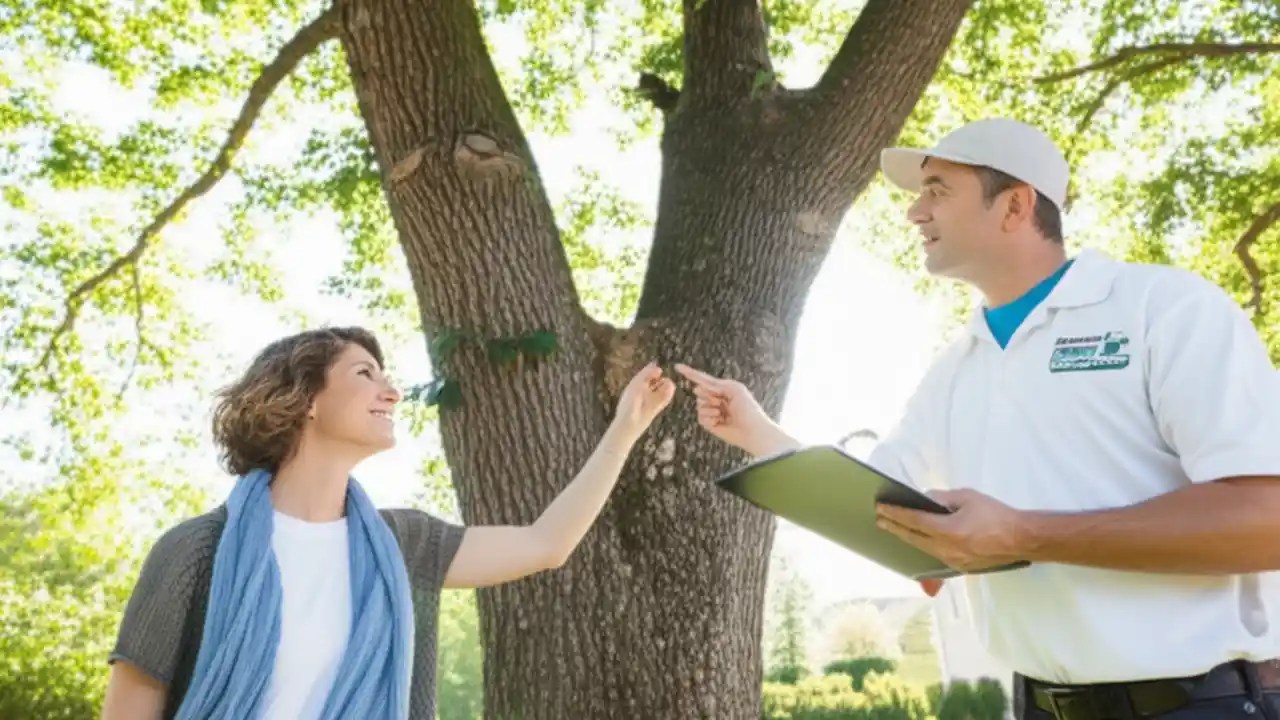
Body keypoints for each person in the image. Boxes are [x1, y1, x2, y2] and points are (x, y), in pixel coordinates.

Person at [677, 118, 1280, 719]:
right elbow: (879, 503)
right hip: (1038, 705)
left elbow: (1266, 521)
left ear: (1015, 206)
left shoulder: (1165, 310)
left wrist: (1021, 534)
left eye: (938, 189)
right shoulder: (956, 368)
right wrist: (755, 432)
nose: (915, 213)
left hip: (1203, 705)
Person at [100, 326, 675, 720]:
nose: (392, 391)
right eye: (365, 373)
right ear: (306, 399)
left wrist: (626, 427)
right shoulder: (196, 550)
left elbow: (547, 542)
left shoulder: (403, 546)